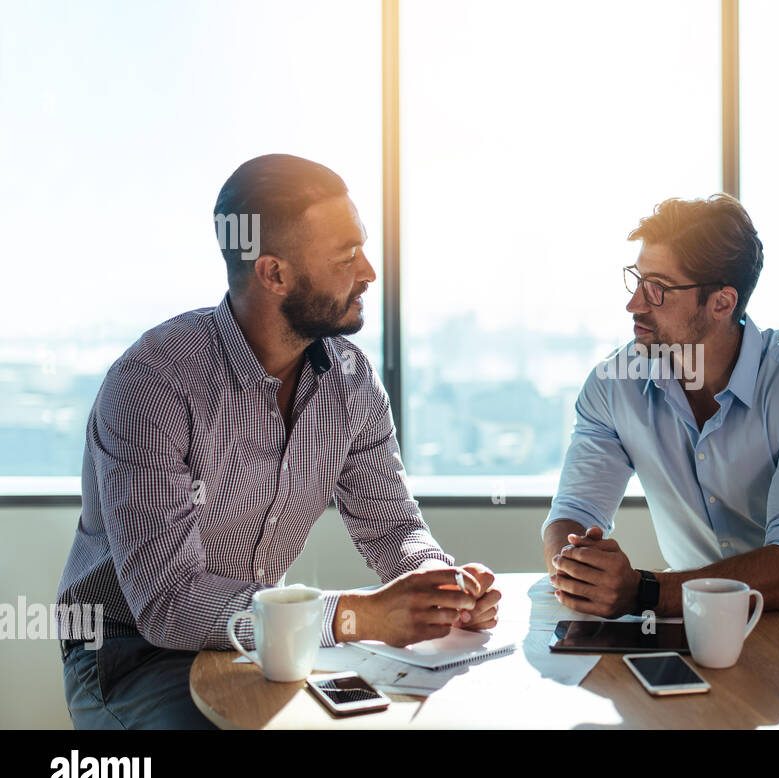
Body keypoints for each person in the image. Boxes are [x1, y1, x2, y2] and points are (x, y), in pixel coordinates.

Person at [56, 154, 500, 729]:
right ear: (274, 273)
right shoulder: (154, 382)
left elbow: (393, 526)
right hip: (129, 652)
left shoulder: (351, 380)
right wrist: (355, 616)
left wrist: (441, 585)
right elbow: (165, 604)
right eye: (346, 256)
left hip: (270, 639)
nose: (369, 271)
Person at [541, 194, 779, 678]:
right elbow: (572, 513)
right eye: (636, 280)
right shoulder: (614, 386)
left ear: (721, 302)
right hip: (682, 612)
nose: (633, 304)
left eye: (657, 289)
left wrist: (643, 590)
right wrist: (581, 568)